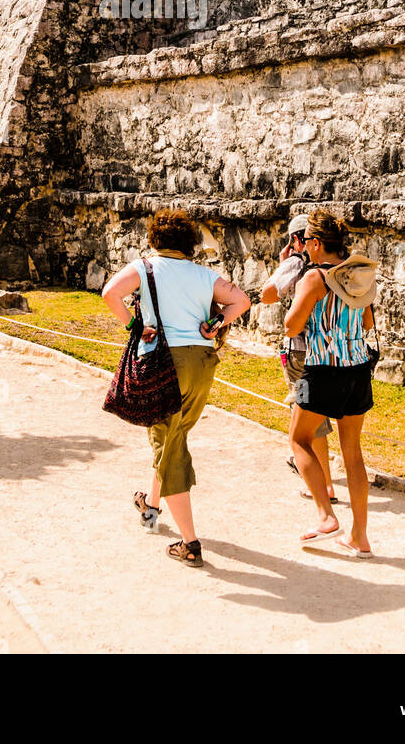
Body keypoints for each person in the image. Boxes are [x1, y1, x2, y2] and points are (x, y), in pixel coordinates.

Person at [102, 207, 250, 567]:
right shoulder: (204, 275)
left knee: (167, 440)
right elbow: (241, 301)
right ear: (189, 243)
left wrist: (134, 326)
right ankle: (151, 505)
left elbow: (110, 293)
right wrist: (215, 323)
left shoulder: (145, 268)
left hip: (163, 362)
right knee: (175, 435)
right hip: (201, 362)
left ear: (155, 239)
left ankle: (190, 542)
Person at [284, 209, 378, 558]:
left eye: (307, 242)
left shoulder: (314, 279)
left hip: (321, 370)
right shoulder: (360, 275)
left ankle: (325, 515)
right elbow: (367, 322)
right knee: (353, 454)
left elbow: (291, 327)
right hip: (357, 371)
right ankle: (360, 537)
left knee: (298, 439)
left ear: (318, 243)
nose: (305, 248)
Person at [261, 213, 337, 503]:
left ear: (297, 240)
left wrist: (284, 266)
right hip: (330, 348)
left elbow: (267, 295)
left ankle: (325, 485)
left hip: (300, 350)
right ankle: (315, 471)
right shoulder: (334, 264)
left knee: (308, 418)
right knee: (314, 413)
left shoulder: (297, 263)